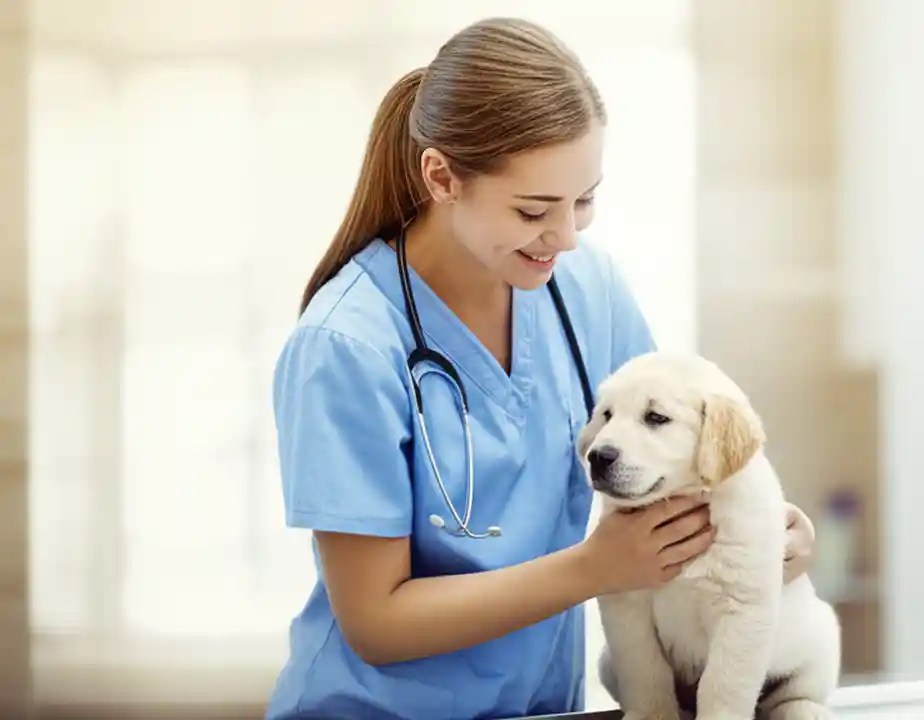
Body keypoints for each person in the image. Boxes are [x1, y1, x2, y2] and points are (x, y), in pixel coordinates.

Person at [265, 17, 818, 720]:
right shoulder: (346, 346)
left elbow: (671, 456)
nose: (565, 237)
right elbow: (376, 623)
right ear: (441, 177)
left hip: (544, 708)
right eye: (534, 210)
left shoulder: (587, 290)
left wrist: (761, 533)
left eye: (583, 201)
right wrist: (597, 568)